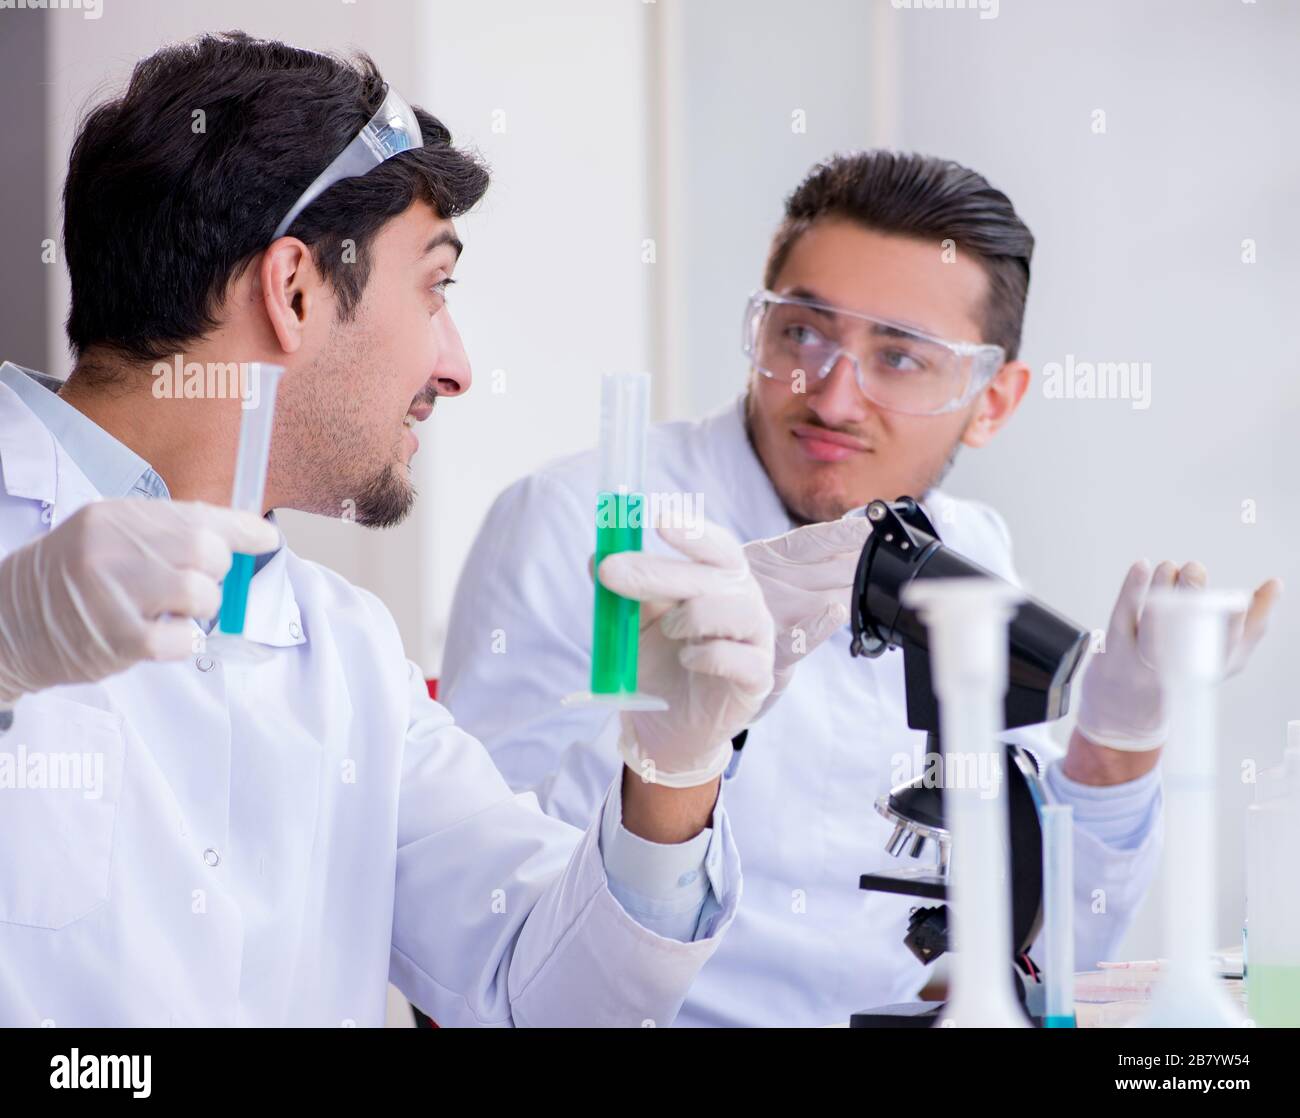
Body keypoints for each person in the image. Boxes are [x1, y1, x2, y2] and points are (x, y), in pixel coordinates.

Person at [0, 31, 787, 1027]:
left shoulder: (349, 650)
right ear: (293, 290)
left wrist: (673, 778)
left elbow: (537, 994)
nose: (455, 365)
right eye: (435, 288)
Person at [441, 151, 1280, 1027]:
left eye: (901, 358)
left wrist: (1114, 750)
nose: (832, 398)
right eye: (801, 333)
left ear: (991, 402)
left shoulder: (970, 549)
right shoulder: (583, 520)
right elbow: (497, 927)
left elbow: (1060, 959)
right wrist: (676, 751)